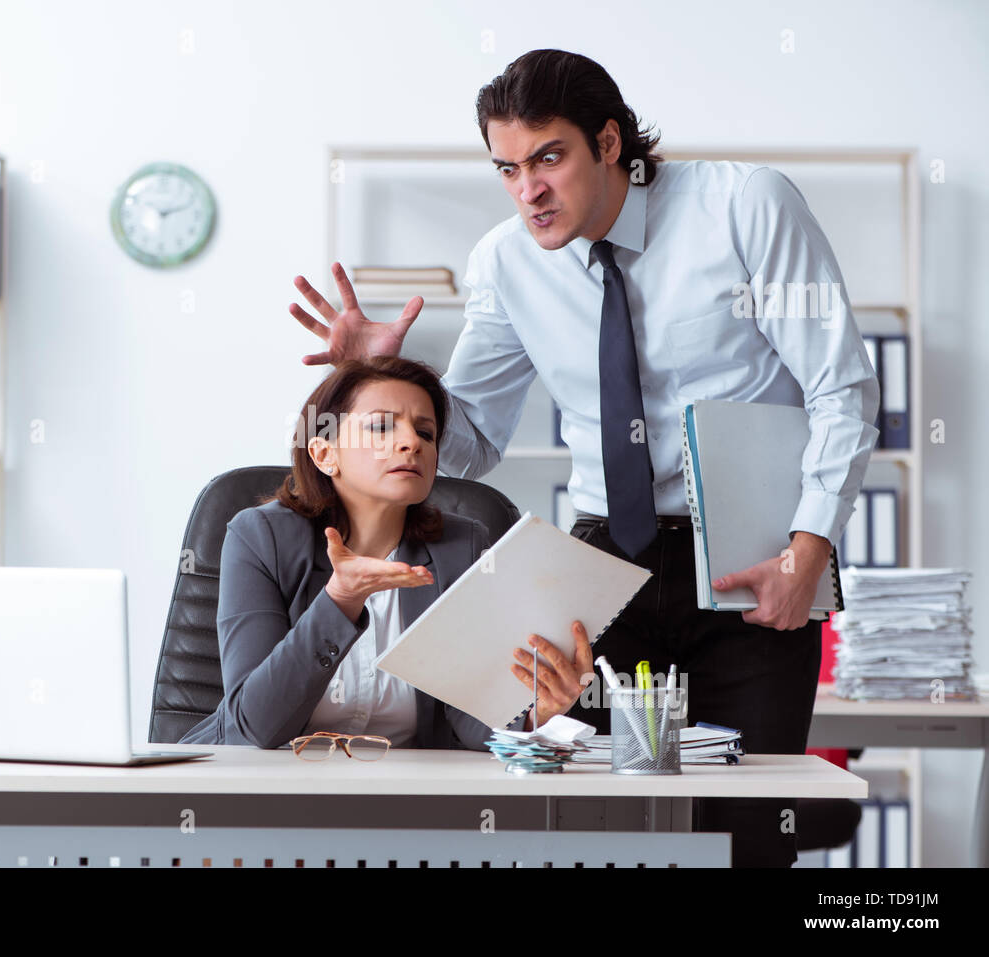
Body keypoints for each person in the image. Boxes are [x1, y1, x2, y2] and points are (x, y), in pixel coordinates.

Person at [287, 51, 879, 866]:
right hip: (603, 562)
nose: (527, 189)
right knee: (592, 825)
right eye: (507, 168)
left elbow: (842, 387)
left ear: (609, 144)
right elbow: (475, 439)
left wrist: (809, 550)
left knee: (749, 830)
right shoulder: (505, 259)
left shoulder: (745, 205)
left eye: (547, 159)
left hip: (753, 558)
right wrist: (380, 375)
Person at [180, 355, 593, 750]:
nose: (411, 442)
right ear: (325, 454)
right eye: (381, 427)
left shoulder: (462, 546)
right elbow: (257, 724)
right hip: (257, 790)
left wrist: (531, 715)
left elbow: (465, 715)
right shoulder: (260, 537)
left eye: (426, 433)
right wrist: (340, 601)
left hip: (405, 793)